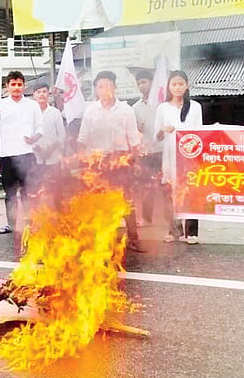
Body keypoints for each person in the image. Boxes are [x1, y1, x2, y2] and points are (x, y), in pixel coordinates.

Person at [77, 70, 145, 253]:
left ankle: (133, 239)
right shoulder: (90, 111)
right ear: (96, 90)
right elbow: (82, 139)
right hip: (97, 162)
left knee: (127, 201)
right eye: (100, 86)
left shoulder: (126, 110)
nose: (104, 89)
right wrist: (83, 164)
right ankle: (104, 240)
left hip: (121, 160)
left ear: (115, 87)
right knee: (100, 202)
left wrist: (136, 162)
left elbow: (134, 139)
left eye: (108, 85)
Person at [0, 71, 43, 235]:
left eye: (19, 84)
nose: (16, 88)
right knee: (10, 192)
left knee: (28, 191)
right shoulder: (0, 104)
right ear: (7, 86)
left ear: (24, 86)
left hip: (27, 153)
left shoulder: (32, 105)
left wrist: (34, 138)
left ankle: (31, 221)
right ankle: (11, 223)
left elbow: (40, 128)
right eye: (13, 84)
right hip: (7, 155)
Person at [155, 70, 203, 244]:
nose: (177, 87)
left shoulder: (195, 107)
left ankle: (191, 231)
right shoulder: (162, 108)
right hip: (169, 157)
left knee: (190, 192)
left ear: (187, 85)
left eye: (181, 83)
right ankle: (174, 230)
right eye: (174, 84)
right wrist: (163, 130)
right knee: (170, 193)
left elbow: (200, 134)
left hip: (189, 158)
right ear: (169, 86)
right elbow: (156, 136)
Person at [132, 69, 163, 227]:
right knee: (145, 187)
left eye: (144, 82)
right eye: (138, 83)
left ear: (152, 83)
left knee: (165, 185)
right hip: (145, 152)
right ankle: (146, 218)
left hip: (162, 151)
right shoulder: (135, 107)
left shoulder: (162, 104)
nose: (141, 85)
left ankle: (168, 219)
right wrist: (138, 128)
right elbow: (133, 132)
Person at [31, 83, 66, 208]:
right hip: (36, 159)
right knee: (38, 190)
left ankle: (59, 218)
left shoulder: (55, 113)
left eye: (44, 92)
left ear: (48, 95)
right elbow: (27, 136)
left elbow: (62, 135)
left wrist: (51, 148)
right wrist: (38, 148)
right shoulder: (30, 113)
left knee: (56, 190)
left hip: (54, 158)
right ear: (34, 95)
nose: (42, 95)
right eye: (38, 92)